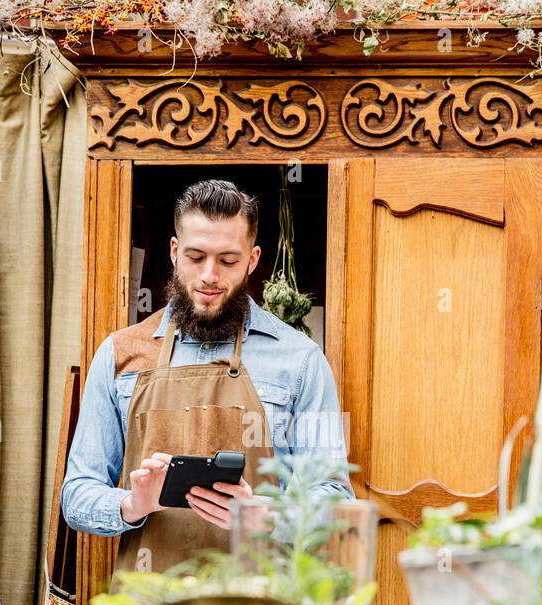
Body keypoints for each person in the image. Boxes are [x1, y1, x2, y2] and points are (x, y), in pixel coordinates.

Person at [61, 179, 352, 573]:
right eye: (196, 257)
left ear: (252, 259)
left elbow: (336, 498)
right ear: (175, 252)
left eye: (228, 261)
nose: (210, 276)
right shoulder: (119, 354)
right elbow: (76, 493)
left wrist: (265, 516)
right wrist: (133, 504)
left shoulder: (301, 360)